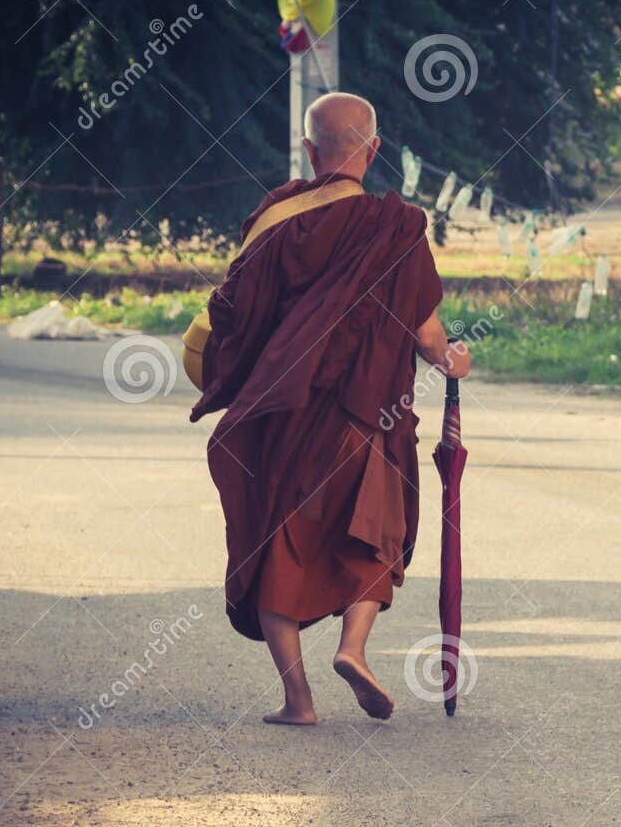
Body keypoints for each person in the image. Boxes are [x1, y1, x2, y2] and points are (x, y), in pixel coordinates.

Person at [190, 92, 469, 724]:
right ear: (372, 151)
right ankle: (354, 647)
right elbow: (429, 342)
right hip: (368, 417)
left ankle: (299, 701)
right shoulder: (394, 230)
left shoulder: (276, 220)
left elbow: (231, 318)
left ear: (310, 153)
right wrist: (457, 360)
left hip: (281, 415)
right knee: (375, 536)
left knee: (274, 547)